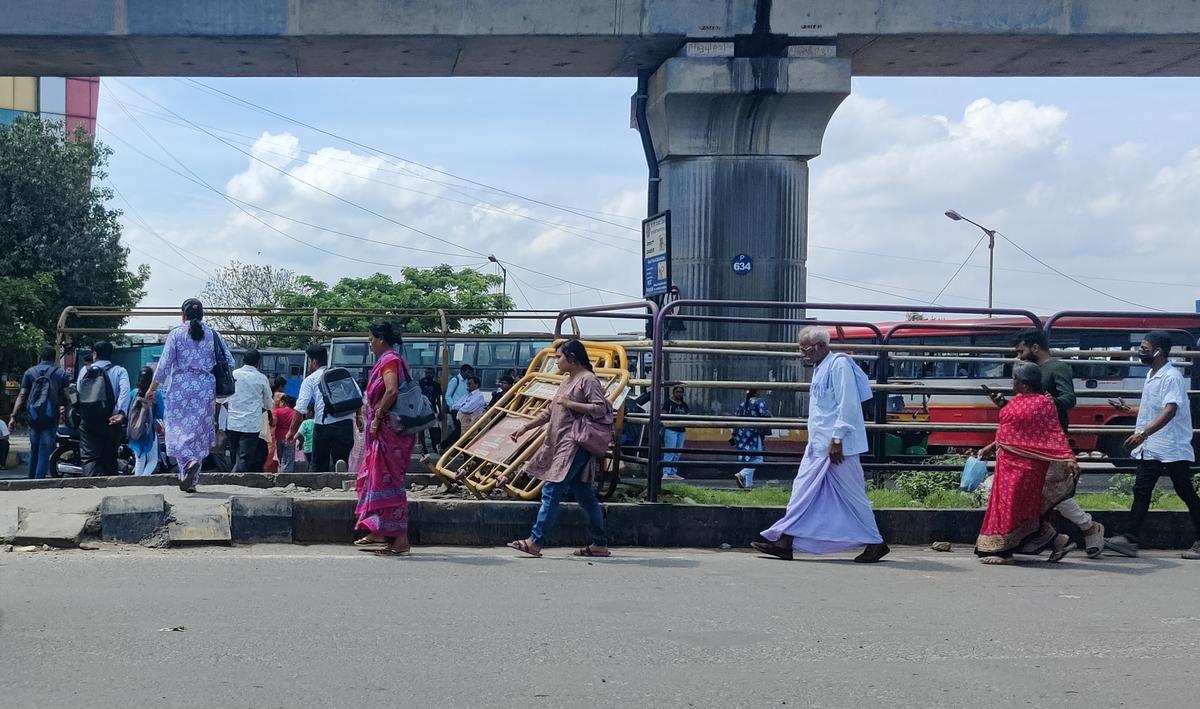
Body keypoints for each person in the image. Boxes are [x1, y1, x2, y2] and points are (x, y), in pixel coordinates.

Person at [753, 326, 890, 563]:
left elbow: (847, 405)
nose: (802, 354)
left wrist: (837, 439)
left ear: (820, 346)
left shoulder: (839, 365)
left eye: (805, 349)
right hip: (818, 445)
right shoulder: (819, 367)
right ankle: (786, 540)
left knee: (852, 495)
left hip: (838, 446)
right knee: (801, 491)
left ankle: (876, 543)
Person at [994, 328, 1106, 557]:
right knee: (1034, 493)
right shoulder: (1028, 370)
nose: (1019, 356)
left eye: (1022, 351)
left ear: (1035, 348)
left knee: (1051, 491)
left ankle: (1086, 527)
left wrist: (1047, 403)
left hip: (1049, 440)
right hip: (1028, 442)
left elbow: (1069, 399)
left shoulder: (1057, 368)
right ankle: (1052, 538)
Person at [505, 340, 612, 558]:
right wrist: (526, 427)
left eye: (559, 357)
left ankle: (535, 541)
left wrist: (572, 404)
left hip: (574, 443)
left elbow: (601, 409)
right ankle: (599, 543)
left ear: (572, 358)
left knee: (551, 489)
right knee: (585, 495)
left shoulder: (588, 380)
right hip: (559, 441)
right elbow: (550, 411)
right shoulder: (567, 380)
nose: (557, 361)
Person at [973, 361, 1079, 565]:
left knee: (1013, 505)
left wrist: (1068, 457)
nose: (1012, 382)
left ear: (1024, 383)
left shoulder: (1043, 403)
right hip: (1007, 462)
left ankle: (1005, 552)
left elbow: (1053, 433)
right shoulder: (1018, 401)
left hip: (1026, 464)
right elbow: (1014, 430)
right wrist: (992, 445)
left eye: (1015, 379)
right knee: (1018, 506)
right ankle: (1058, 540)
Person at [1106, 331, 1200, 559]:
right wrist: (1130, 411)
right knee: (1142, 490)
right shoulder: (1152, 374)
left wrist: (1144, 433)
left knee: (1185, 491)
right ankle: (1129, 538)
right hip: (1154, 445)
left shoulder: (1171, 377)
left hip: (1170, 445)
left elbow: (1170, 410)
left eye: (1145, 348)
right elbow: (1157, 408)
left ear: (1158, 351)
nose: (1141, 352)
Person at [145, 298, 234, 493]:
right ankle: (191, 480)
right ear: (202, 315)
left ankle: (188, 463)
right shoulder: (214, 335)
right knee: (198, 434)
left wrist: (152, 389)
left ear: (183, 315)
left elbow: (164, 366)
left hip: (179, 390)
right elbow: (230, 361)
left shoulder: (176, 334)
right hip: (205, 390)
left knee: (178, 431)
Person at [354, 321, 415, 556]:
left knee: (389, 483)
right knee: (376, 480)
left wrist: (378, 417)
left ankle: (400, 540)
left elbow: (391, 391)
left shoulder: (389, 360)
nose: (369, 344)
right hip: (383, 433)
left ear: (380, 339)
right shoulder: (385, 360)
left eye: (370, 339)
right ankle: (378, 530)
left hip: (390, 433)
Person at [287, 343, 356, 473]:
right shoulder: (341, 373)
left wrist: (292, 430)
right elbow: (355, 395)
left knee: (318, 463)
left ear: (313, 361)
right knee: (341, 460)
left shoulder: (311, 379)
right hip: (346, 424)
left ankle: (318, 488)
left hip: (324, 425)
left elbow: (300, 407)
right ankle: (339, 480)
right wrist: (358, 418)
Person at [8, 346, 70, 479]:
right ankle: (38, 481)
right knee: (44, 451)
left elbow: (22, 395)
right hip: (50, 418)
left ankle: (30, 480)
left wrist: (13, 416)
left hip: (33, 418)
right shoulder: (61, 374)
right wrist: (65, 411)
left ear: (40, 357)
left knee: (34, 450)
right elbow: (67, 397)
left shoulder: (30, 373)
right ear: (54, 359)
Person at [76, 340, 131, 477]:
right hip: (111, 421)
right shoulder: (120, 371)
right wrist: (120, 412)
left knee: (89, 458)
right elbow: (125, 392)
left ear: (94, 354)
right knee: (110, 457)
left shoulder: (85, 370)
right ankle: (109, 489)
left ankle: (90, 488)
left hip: (88, 421)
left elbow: (78, 391)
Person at [227, 348, 274, 472]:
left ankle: (232, 478)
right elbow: (269, 403)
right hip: (251, 424)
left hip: (232, 422)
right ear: (258, 362)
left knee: (234, 455)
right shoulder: (261, 378)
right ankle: (237, 482)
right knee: (245, 458)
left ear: (243, 360)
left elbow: (223, 398)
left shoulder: (233, 374)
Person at [124, 365, 165, 476]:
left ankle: (137, 483)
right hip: (149, 431)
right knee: (153, 460)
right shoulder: (156, 394)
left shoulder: (133, 393)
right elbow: (161, 413)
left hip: (134, 431)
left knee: (139, 459)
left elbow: (127, 411)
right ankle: (144, 481)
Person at [732, 389, 770, 490]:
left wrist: (734, 434)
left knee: (750, 459)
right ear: (757, 392)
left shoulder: (742, 404)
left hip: (742, 435)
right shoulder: (759, 402)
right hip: (754, 433)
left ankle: (749, 485)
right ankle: (741, 474)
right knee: (758, 459)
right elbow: (765, 415)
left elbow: (735, 419)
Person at [661, 385, 690, 481]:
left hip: (681, 430)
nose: (679, 393)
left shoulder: (684, 405)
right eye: (677, 391)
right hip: (671, 429)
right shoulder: (668, 403)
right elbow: (663, 414)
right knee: (670, 451)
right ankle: (666, 472)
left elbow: (688, 416)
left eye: (681, 392)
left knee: (677, 452)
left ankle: (673, 472)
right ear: (673, 393)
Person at [444, 363, 475, 442]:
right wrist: (452, 406)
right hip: (456, 409)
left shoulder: (467, 382)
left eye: (470, 373)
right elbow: (448, 395)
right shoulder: (455, 380)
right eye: (468, 372)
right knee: (458, 430)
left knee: (461, 430)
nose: (469, 374)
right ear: (462, 371)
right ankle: (443, 445)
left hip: (463, 409)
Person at [418, 367, 444, 454]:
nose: (428, 374)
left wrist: (440, 411)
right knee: (421, 430)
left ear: (433, 374)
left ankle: (435, 446)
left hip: (432, 409)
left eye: (430, 373)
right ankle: (424, 448)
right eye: (427, 373)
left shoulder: (436, 385)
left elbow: (437, 399)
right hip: (421, 410)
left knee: (434, 429)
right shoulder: (420, 383)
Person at [273, 395, 298, 473]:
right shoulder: (295, 413)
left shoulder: (277, 411)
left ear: (283, 402)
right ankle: (286, 477)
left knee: (280, 460)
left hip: (279, 438)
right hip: (291, 438)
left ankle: (281, 474)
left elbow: (274, 423)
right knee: (288, 460)